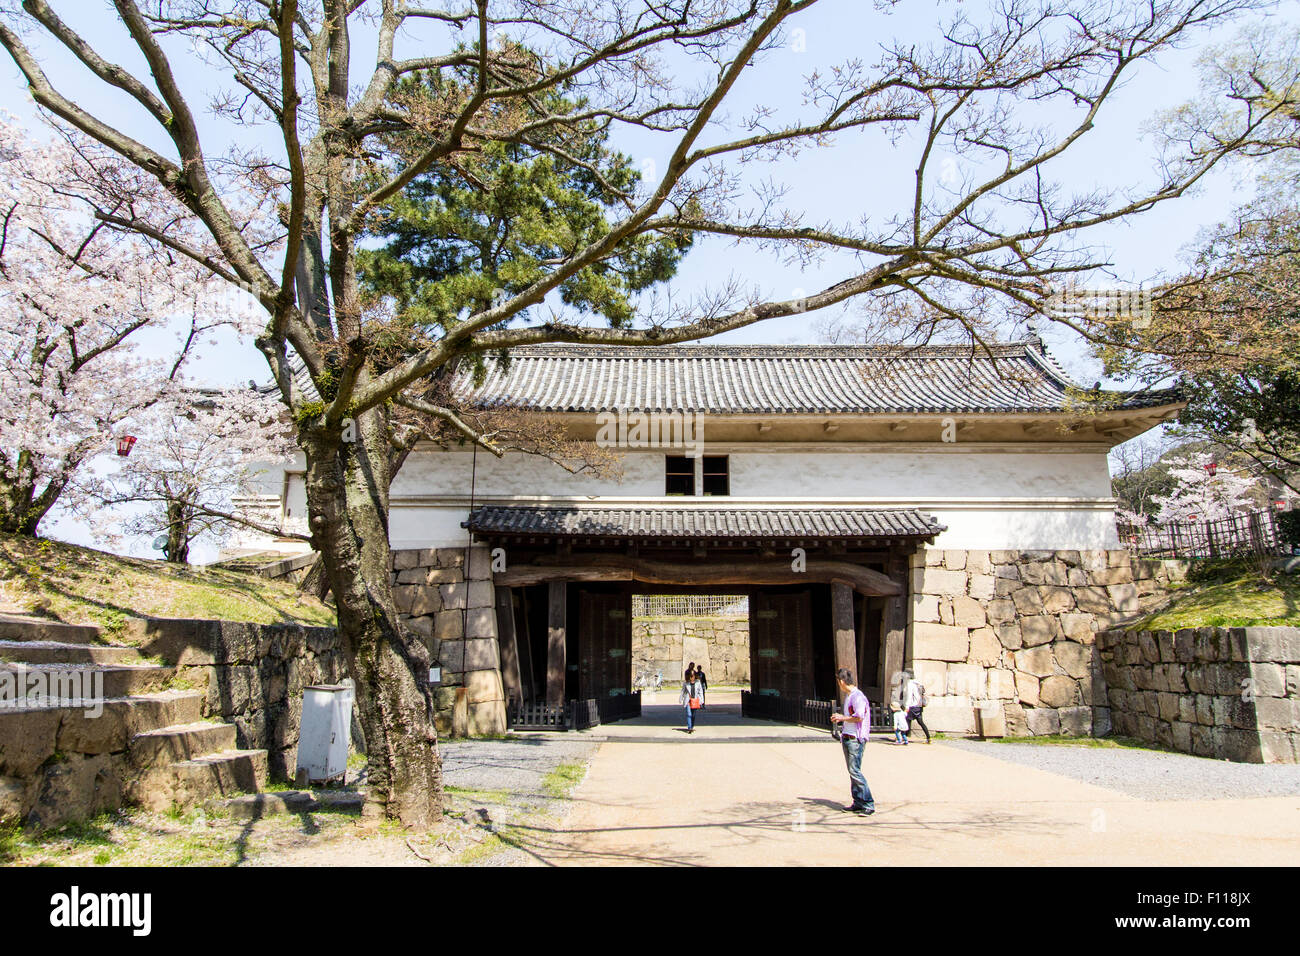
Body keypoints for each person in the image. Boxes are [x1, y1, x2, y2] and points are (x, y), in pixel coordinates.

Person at [829, 667, 874, 815]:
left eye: (838, 681)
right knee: (852, 772)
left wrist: (842, 718)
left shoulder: (857, 696)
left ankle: (868, 803)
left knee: (855, 771)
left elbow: (859, 716)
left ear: (842, 681)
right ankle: (858, 802)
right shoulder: (849, 696)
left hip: (856, 739)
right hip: (847, 737)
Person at [903, 670, 931, 744]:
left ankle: (904, 738)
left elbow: (909, 696)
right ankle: (928, 737)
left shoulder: (910, 684)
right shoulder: (919, 683)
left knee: (907, 721)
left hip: (912, 706)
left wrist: (906, 707)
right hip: (919, 706)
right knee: (921, 722)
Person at [680, 667, 703, 734]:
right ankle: (689, 728)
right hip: (688, 701)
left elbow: (700, 691)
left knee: (693, 715)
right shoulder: (686, 683)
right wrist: (681, 698)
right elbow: (683, 691)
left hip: (695, 700)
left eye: (692, 676)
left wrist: (701, 700)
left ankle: (692, 725)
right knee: (689, 714)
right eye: (690, 676)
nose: (691, 678)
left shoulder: (698, 683)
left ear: (694, 676)